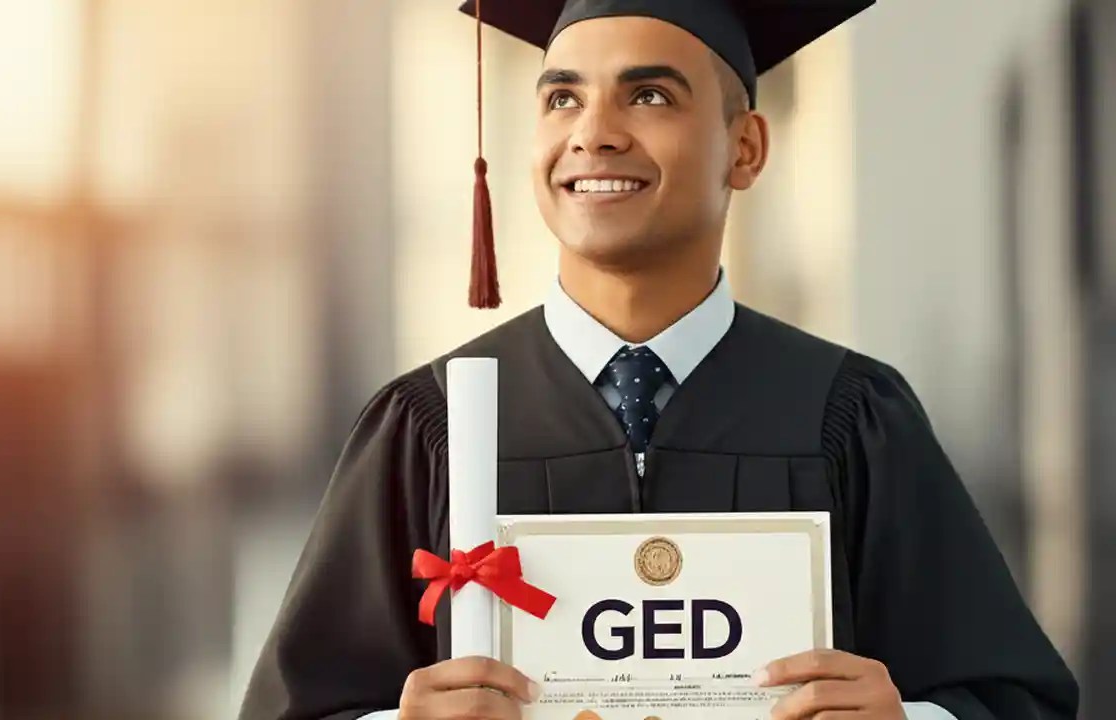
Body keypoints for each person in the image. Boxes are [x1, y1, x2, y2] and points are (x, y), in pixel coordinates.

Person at [238, 1, 1080, 719]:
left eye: (647, 94)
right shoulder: (428, 425)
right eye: (562, 99)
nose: (594, 134)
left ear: (745, 148)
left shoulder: (849, 414)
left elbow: (1016, 699)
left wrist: (906, 718)